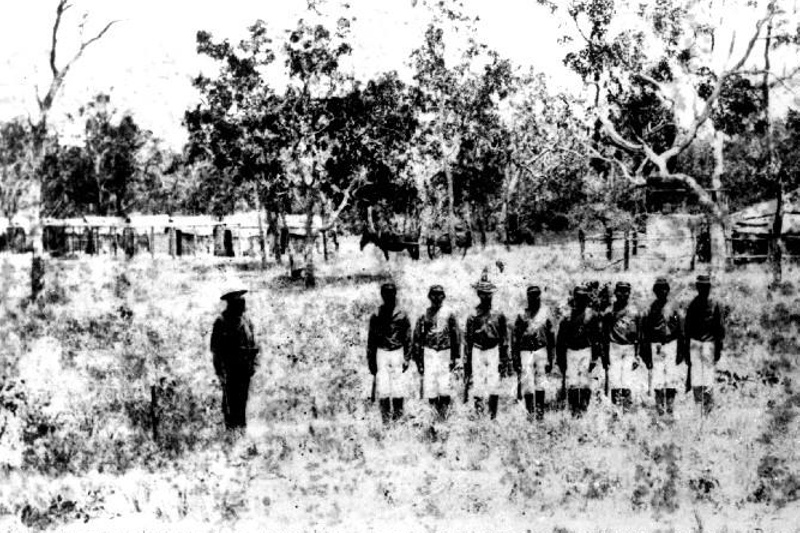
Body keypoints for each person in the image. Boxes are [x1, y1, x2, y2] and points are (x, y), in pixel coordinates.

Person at [210, 285, 259, 431]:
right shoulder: (222, 321)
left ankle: (241, 430)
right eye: (238, 302)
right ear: (231, 304)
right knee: (231, 403)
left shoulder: (246, 321)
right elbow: (216, 350)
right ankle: (231, 431)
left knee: (242, 401)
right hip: (230, 369)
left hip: (245, 369)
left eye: (242, 301)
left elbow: (253, 342)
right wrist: (220, 371)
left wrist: (253, 362)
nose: (243, 305)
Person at [465, 269, 509, 419]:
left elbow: (504, 337)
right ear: (478, 294)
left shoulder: (499, 314)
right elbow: (468, 339)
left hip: (493, 350)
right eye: (483, 293)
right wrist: (467, 359)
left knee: (493, 382)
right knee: (477, 381)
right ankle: (478, 413)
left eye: (489, 293)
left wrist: (504, 357)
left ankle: (492, 415)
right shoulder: (473, 315)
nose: (486, 296)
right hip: (478, 350)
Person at [413, 285, 460, 420]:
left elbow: (455, 335)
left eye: (440, 294)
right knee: (431, 385)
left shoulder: (449, 313)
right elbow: (418, 337)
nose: (437, 297)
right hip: (429, 352)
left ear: (444, 296)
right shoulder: (424, 314)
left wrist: (455, 357)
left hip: (445, 351)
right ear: (429, 296)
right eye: (434, 294)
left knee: (444, 385)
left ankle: (444, 416)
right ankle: (433, 417)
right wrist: (419, 358)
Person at [367, 282, 412, 424]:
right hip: (382, 354)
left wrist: (407, 357)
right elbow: (371, 340)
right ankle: (385, 421)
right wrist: (371, 361)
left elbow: (408, 338)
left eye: (391, 293)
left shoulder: (402, 315)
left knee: (398, 388)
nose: (389, 296)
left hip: (397, 353)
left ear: (395, 294)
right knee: (384, 388)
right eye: (386, 293)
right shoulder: (376, 315)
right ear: (382, 295)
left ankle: (398, 419)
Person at [640, 277, 686, 416]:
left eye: (665, 289)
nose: (662, 291)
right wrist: (647, 354)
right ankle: (659, 408)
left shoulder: (674, 307)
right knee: (658, 379)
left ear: (668, 290)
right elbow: (645, 332)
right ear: (655, 291)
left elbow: (681, 330)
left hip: (671, 344)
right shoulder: (651, 309)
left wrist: (681, 351)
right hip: (656, 346)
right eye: (659, 289)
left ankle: (670, 407)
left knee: (671, 379)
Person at [512, 285, 556, 420]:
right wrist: (515, 358)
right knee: (527, 384)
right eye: (531, 295)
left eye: (536, 294)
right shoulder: (522, 315)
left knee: (540, 382)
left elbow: (551, 337)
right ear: (527, 296)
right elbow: (515, 337)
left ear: (539, 295)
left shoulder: (546, 313)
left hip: (541, 350)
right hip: (525, 351)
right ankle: (530, 414)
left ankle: (540, 414)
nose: (534, 297)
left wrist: (551, 358)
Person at [556, 285, 602, 416]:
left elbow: (596, 338)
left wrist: (594, 357)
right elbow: (560, 341)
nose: (580, 300)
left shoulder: (591, 315)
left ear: (586, 299)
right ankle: (574, 410)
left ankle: (584, 408)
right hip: (571, 352)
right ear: (574, 298)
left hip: (586, 351)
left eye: (583, 297)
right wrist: (560, 359)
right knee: (573, 383)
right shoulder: (567, 317)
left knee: (585, 382)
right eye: (578, 297)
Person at [684, 274, 725, 415]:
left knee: (707, 378)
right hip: (695, 344)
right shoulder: (693, 304)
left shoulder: (715, 304)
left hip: (709, 344)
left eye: (706, 286)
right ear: (697, 287)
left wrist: (718, 347)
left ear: (709, 287)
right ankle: (698, 407)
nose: (704, 289)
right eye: (701, 286)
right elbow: (687, 328)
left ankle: (707, 410)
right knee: (696, 378)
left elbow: (720, 327)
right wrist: (686, 350)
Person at [601, 281, 641, 411]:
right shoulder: (609, 312)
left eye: (625, 291)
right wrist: (605, 355)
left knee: (627, 381)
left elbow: (639, 336)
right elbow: (604, 336)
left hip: (629, 348)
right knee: (615, 381)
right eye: (620, 290)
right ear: (615, 292)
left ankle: (627, 410)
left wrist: (637, 355)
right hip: (614, 347)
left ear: (629, 293)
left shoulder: (634, 312)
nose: (622, 294)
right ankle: (616, 411)